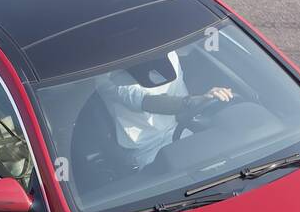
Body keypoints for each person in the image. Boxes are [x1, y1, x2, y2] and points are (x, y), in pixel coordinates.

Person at [95, 49, 234, 169]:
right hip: (148, 149)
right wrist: (194, 101)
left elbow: (181, 103)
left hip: (182, 131)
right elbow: (146, 101)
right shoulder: (106, 74)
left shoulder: (169, 54)